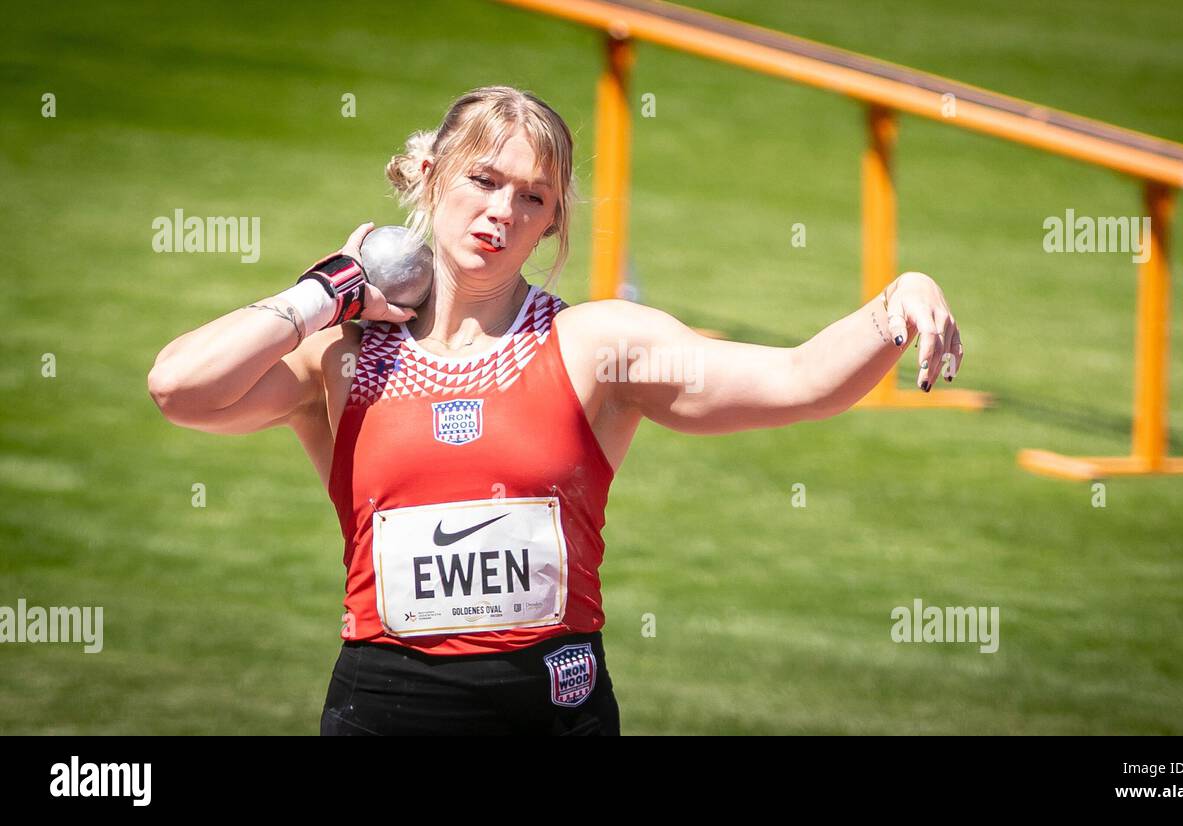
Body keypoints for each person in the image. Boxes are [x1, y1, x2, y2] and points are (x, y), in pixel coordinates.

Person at [148, 85, 964, 736]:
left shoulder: (596, 346)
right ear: (431, 178)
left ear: (551, 223)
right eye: (484, 180)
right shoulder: (342, 353)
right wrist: (319, 295)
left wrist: (898, 301)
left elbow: (799, 381)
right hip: (384, 707)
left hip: (553, 705)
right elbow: (179, 389)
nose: (504, 211)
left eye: (534, 197)